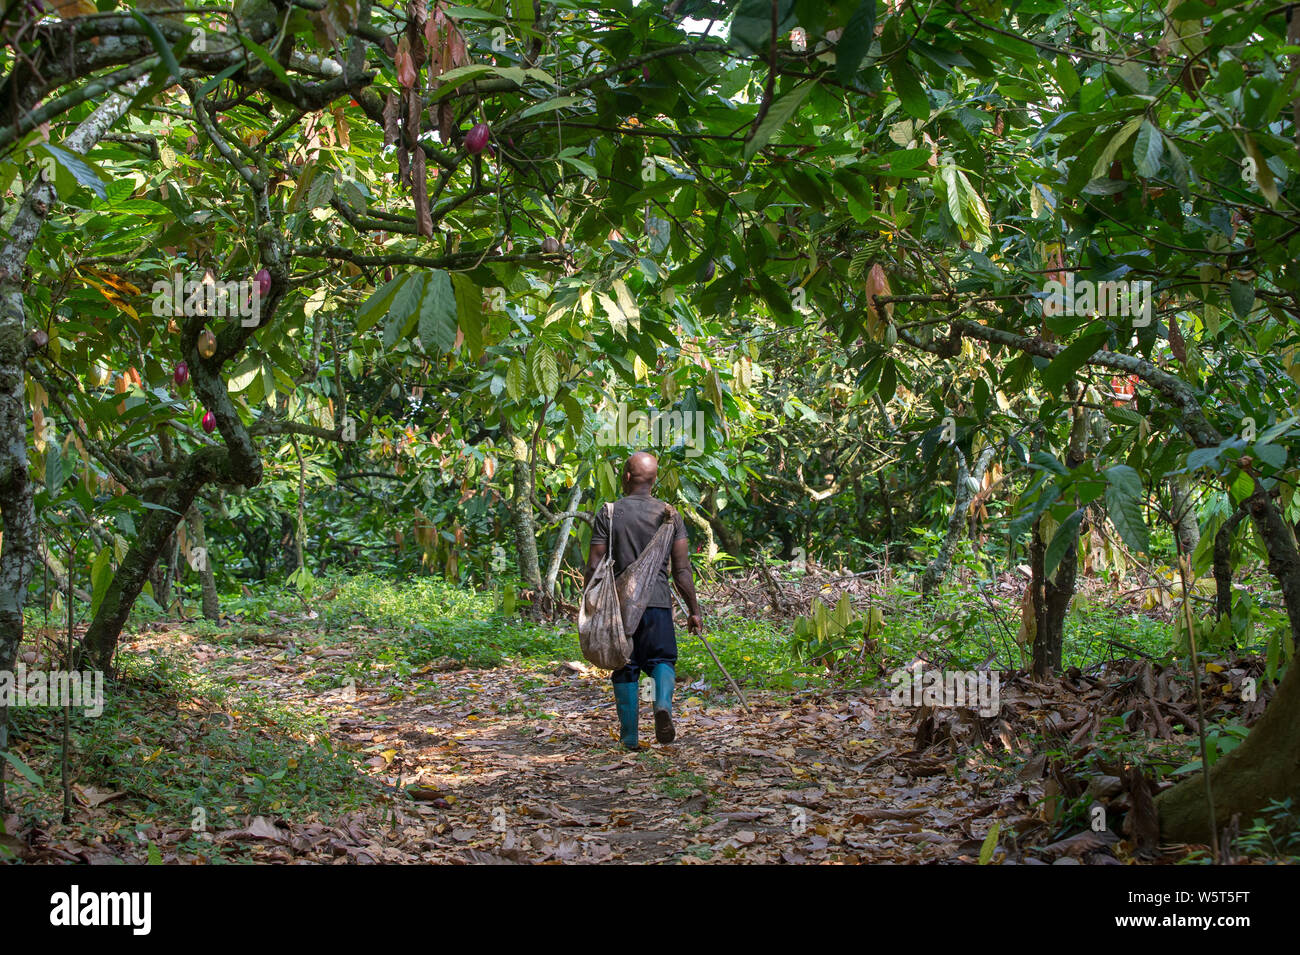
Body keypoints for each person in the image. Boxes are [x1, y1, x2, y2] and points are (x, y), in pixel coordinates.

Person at [585, 451, 703, 750]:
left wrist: (591, 604)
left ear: (626, 477)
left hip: (620, 607)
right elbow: (682, 569)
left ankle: (629, 739)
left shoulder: (610, 513)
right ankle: (662, 705)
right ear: (653, 480)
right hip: (658, 604)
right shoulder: (669, 515)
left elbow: (594, 564)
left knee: (624, 666)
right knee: (662, 659)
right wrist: (694, 610)